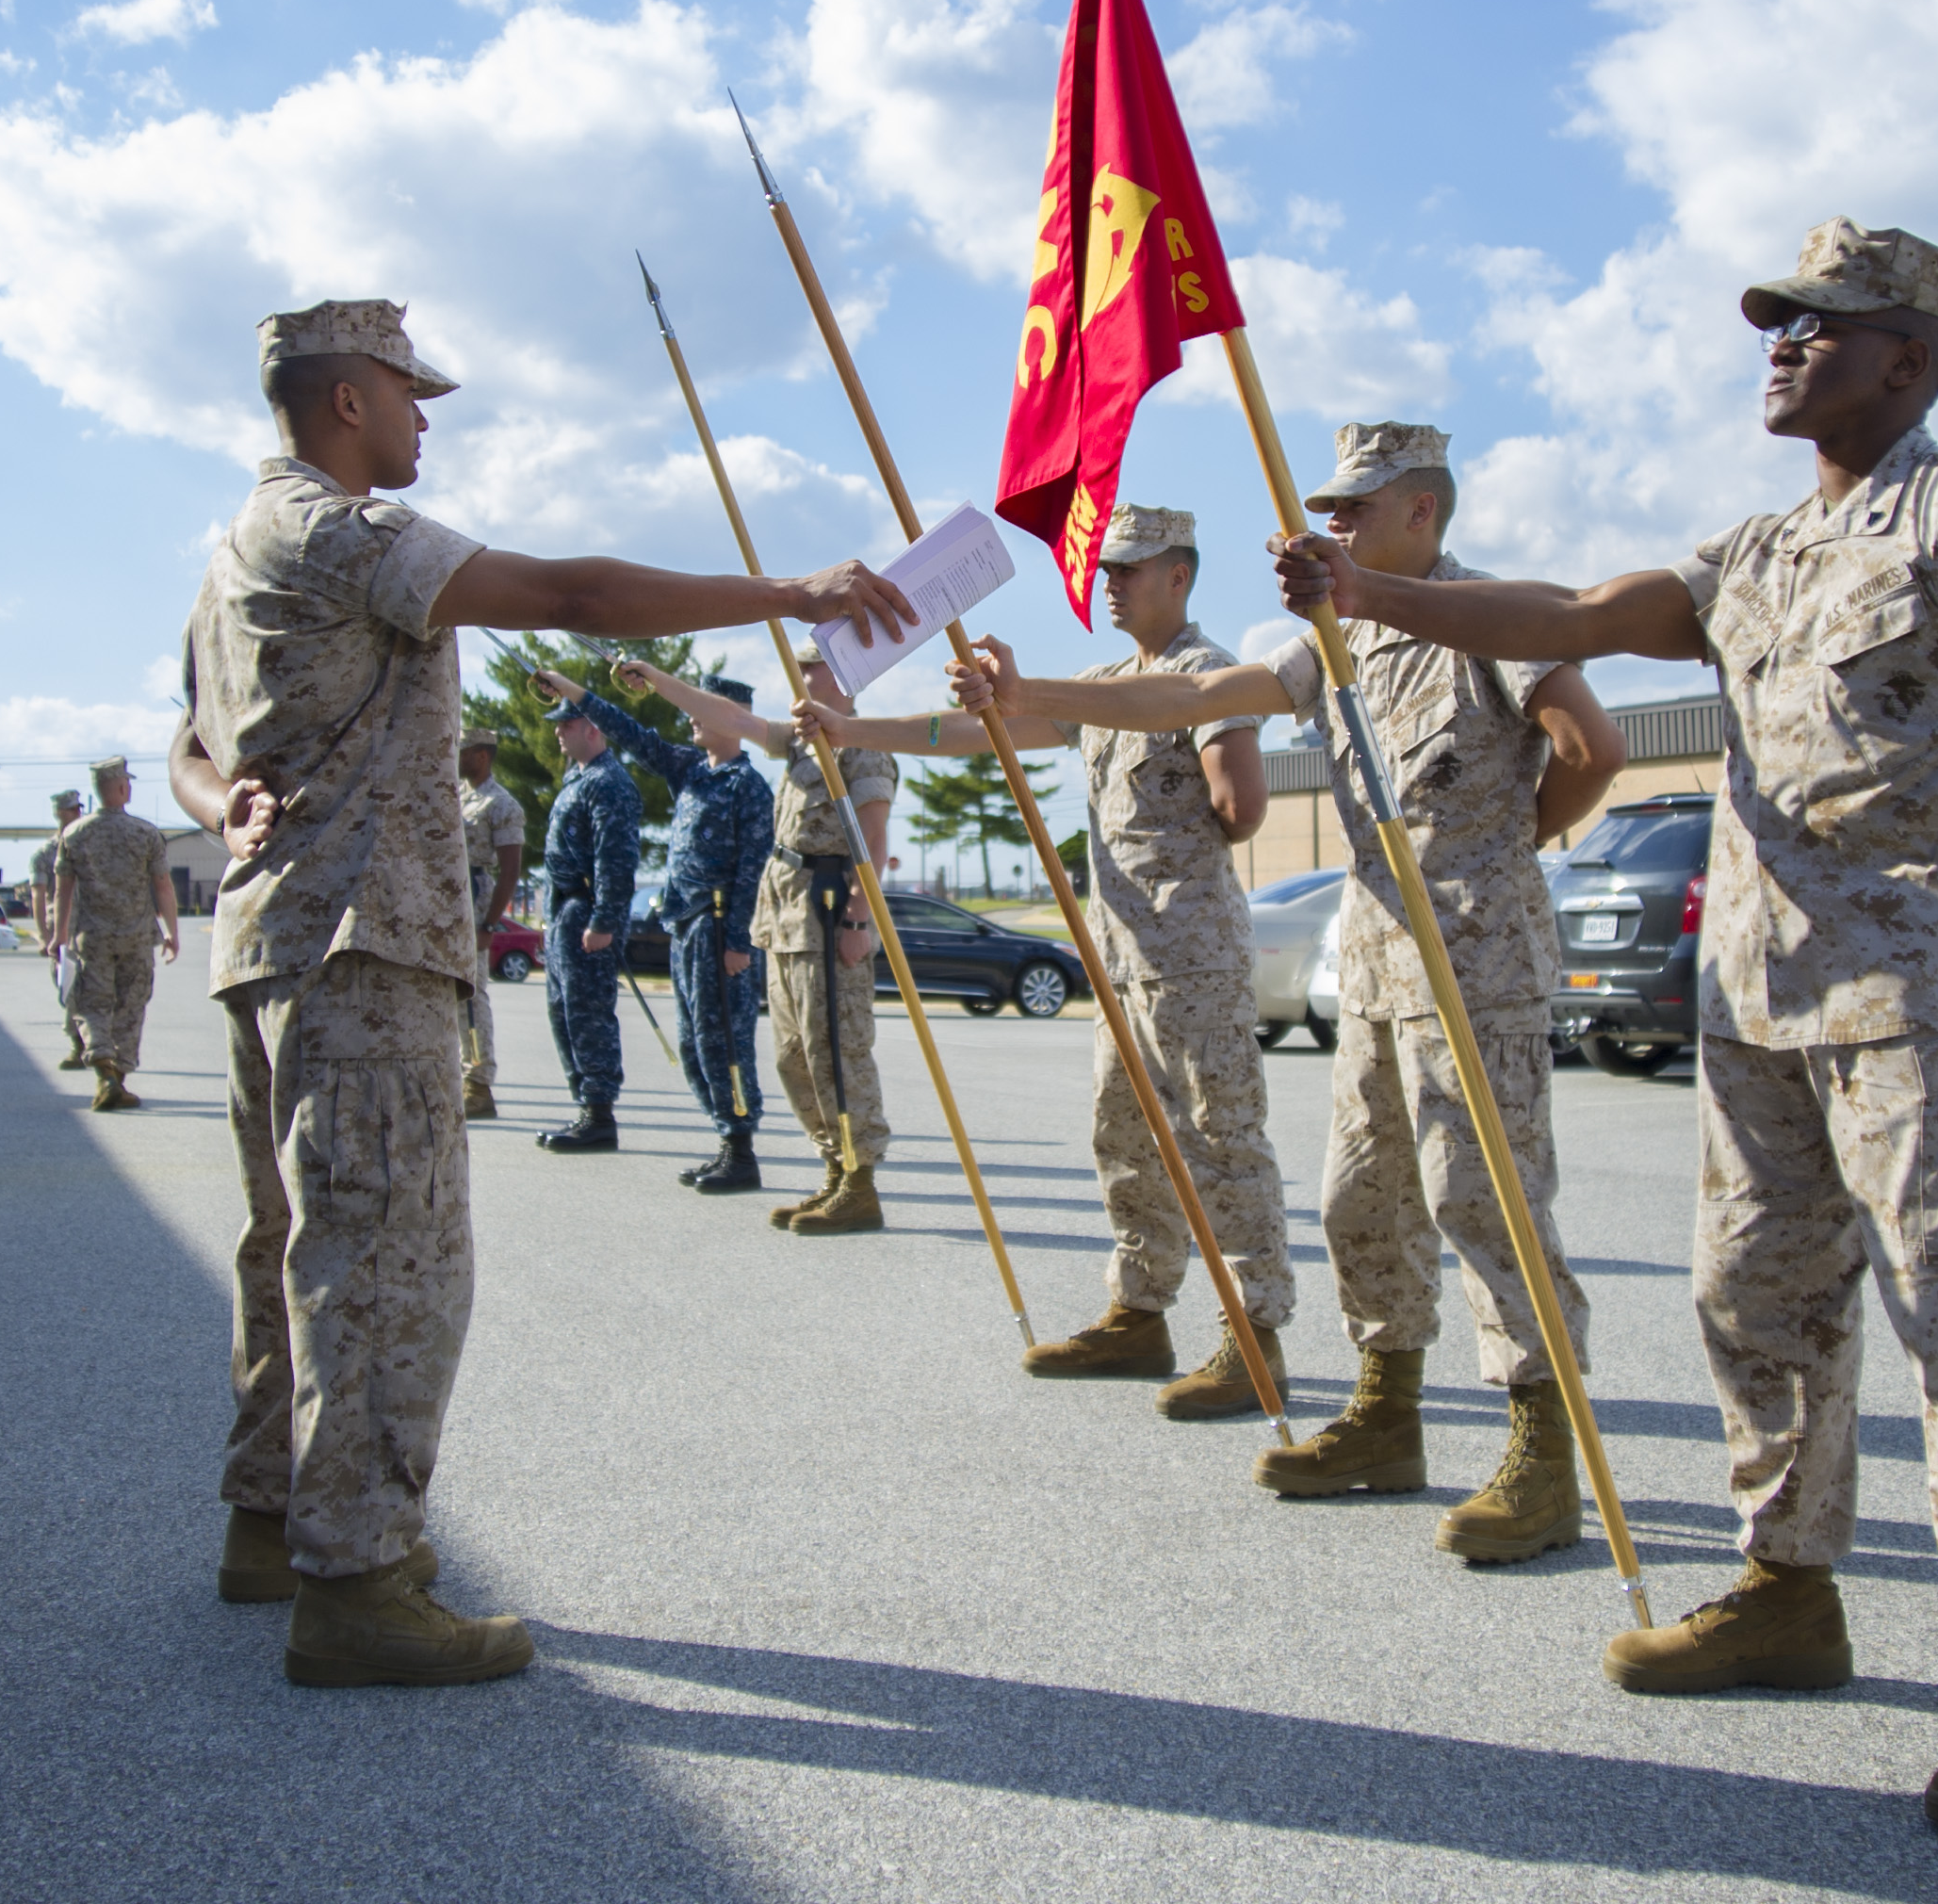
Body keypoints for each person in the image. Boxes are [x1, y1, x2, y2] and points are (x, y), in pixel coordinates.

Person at [1269, 221, 1938, 1832]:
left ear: (1910, 357)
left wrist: (1935, 868)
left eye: (1823, 326)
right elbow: (1578, 610)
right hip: (1749, 1003)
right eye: (1774, 325)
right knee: (1756, 1301)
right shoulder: (1748, 555)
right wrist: (1364, 588)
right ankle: (1787, 1591)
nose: (1784, 346)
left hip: (1917, 1005)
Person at [169, 296, 912, 1689]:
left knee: (294, 1244)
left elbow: (183, 746)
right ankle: (361, 1579)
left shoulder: (229, 552)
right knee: (388, 1259)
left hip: (275, 941)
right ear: (347, 401)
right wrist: (790, 592)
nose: (423, 418)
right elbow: (568, 593)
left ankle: (275, 1523)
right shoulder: (344, 530)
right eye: (409, 394)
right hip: (361, 948)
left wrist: (225, 803)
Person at [956, 425, 1626, 1549]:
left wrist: (1499, 854)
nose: (1334, 527)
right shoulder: (1339, 636)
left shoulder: (1499, 615)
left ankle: (1546, 1451)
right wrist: (1031, 687)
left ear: (1423, 511)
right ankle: (1387, 1415)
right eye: (1331, 506)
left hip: (1477, 954)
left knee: (1487, 1200)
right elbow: (1204, 696)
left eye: (1356, 509)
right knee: (1363, 1198)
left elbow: (1593, 751)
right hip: (1371, 953)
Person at [807, 504, 1295, 1417]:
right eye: (1106, 570)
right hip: (1120, 957)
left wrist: (1209, 786)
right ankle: (1140, 1312)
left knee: (1219, 1142)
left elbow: (1243, 811)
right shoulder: (1105, 685)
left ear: (1180, 574)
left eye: (1130, 571)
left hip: (1190, 958)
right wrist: (853, 734)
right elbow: (966, 736)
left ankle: (1253, 1332)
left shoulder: (1211, 673)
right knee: (1125, 1139)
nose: (1110, 584)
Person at [632, 648, 892, 1234]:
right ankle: (833, 1168)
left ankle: (860, 1182)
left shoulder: (863, 746)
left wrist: (858, 920)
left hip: (829, 915)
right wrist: (655, 681)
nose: (800, 678)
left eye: (812, 668)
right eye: (798, 669)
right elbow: (729, 715)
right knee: (792, 1057)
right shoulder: (801, 742)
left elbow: (872, 845)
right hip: (787, 916)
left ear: (846, 675)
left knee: (837, 1052)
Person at [537, 666, 774, 1194]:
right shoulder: (689, 769)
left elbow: (752, 871)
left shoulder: (749, 788)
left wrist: (739, 941)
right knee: (693, 1043)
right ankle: (724, 1143)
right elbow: (626, 729)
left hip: (719, 930)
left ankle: (741, 1152)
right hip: (686, 927)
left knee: (727, 1044)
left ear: (734, 719)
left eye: (703, 708)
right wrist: (575, 691)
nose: (691, 715)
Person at [531, 695, 641, 1154]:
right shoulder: (577, 777)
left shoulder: (609, 783)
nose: (558, 730)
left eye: (567, 723)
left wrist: (605, 920)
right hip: (565, 907)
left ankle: (599, 1113)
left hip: (588, 908)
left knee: (588, 1011)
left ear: (592, 729)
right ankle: (585, 1107)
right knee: (564, 1011)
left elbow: (616, 862)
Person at [53, 757, 179, 1112]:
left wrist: (58, 935)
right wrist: (172, 932)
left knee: (91, 1004)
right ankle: (117, 1077)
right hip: (137, 937)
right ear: (123, 788)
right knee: (131, 1006)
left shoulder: (74, 834)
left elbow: (62, 890)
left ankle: (104, 1070)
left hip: (92, 937)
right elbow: (163, 885)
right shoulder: (145, 833)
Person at [456, 728, 525, 1120]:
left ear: (481, 756)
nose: (457, 758)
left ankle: (478, 1083)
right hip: (450, 895)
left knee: (472, 995)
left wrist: (490, 923)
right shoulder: (460, 797)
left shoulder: (502, 804)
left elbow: (510, 871)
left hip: (476, 897)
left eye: (463, 751)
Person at [31, 788, 87, 1069]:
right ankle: (79, 1044)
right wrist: (44, 936)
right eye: (70, 810)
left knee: (100, 987)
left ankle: (93, 1045)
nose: (76, 814)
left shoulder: (93, 845)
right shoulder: (45, 854)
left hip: (93, 929)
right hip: (62, 933)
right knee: (68, 987)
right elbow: (39, 895)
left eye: (78, 808)